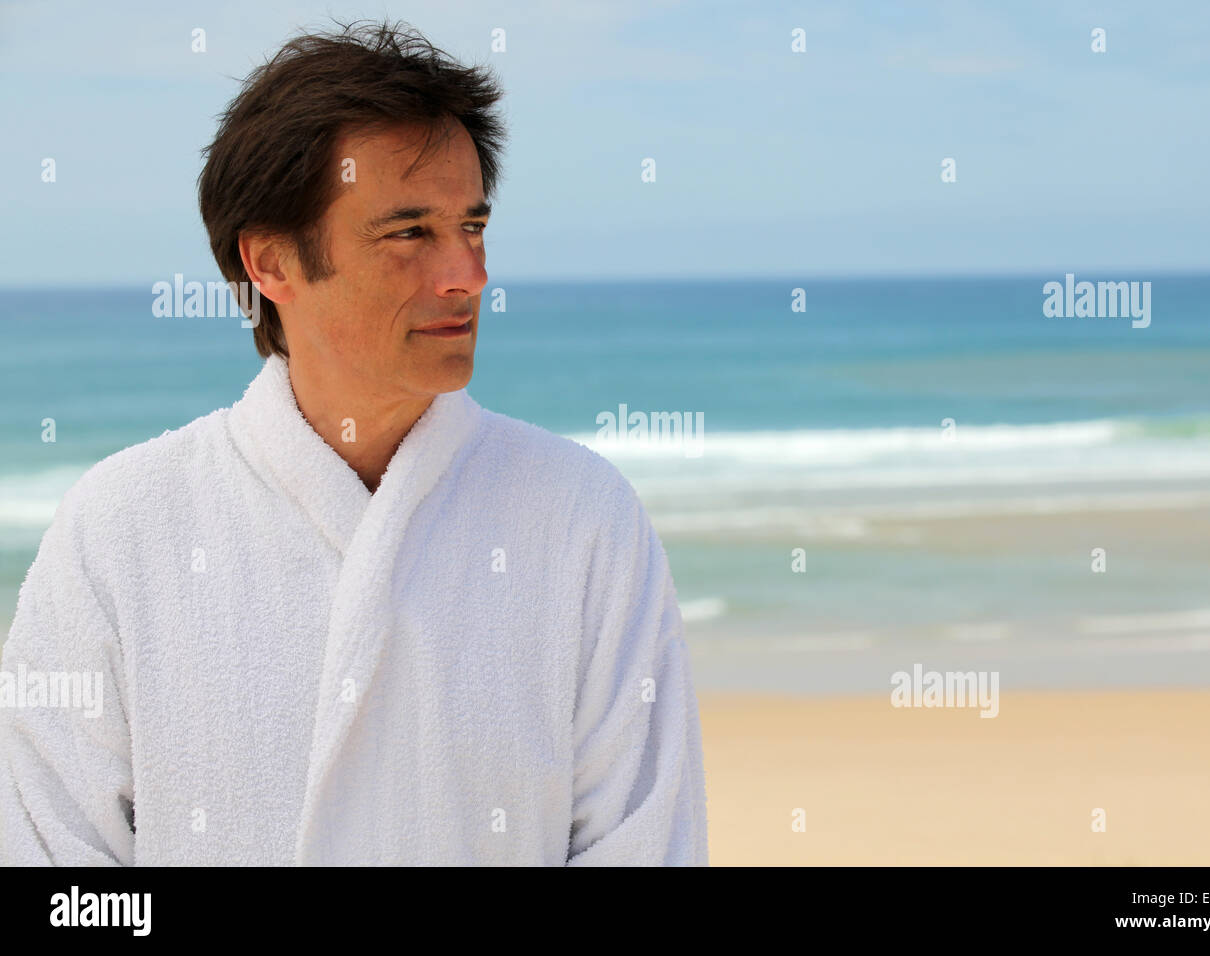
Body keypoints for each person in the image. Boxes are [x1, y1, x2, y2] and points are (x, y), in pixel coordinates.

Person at [0, 20, 708, 866]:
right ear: (271, 263)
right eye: (410, 233)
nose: (467, 275)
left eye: (473, 226)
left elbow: (645, 845)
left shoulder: (583, 518)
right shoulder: (119, 532)